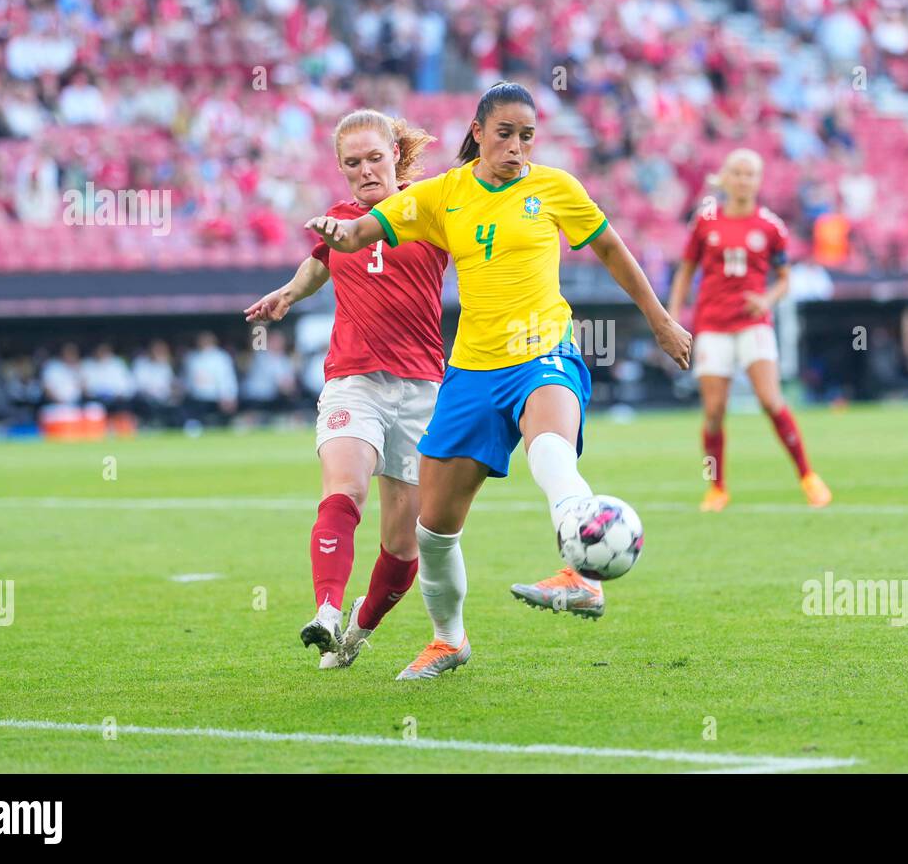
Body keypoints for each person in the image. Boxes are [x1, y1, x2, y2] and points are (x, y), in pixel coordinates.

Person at [306, 82, 691, 678]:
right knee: (432, 530)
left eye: (527, 136)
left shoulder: (555, 187)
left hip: (544, 351)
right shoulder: (443, 195)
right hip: (469, 372)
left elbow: (613, 250)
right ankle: (448, 640)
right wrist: (337, 235)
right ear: (479, 133)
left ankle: (582, 574)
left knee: (550, 446)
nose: (516, 147)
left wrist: (661, 320)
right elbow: (363, 232)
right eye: (505, 134)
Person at [245, 108, 448, 669]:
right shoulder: (335, 219)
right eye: (352, 163)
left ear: (396, 158)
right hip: (352, 380)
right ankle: (327, 612)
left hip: (422, 390)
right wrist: (288, 292)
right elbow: (321, 263)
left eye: (374, 159)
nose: (364, 171)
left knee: (404, 547)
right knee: (344, 490)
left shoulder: (430, 210)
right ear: (341, 168)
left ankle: (356, 630)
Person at [666, 148, 831, 513]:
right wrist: (674, 315)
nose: (743, 180)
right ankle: (717, 488)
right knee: (714, 410)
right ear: (725, 178)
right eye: (737, 173)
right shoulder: (705, 221)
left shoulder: (770, 226)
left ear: (758, 181)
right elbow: (686, 270)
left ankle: (808, 476)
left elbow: (786, 279)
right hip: (712, 324)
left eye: (750, 174)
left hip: (753, 323)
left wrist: (767, 299)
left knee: (771, 400)